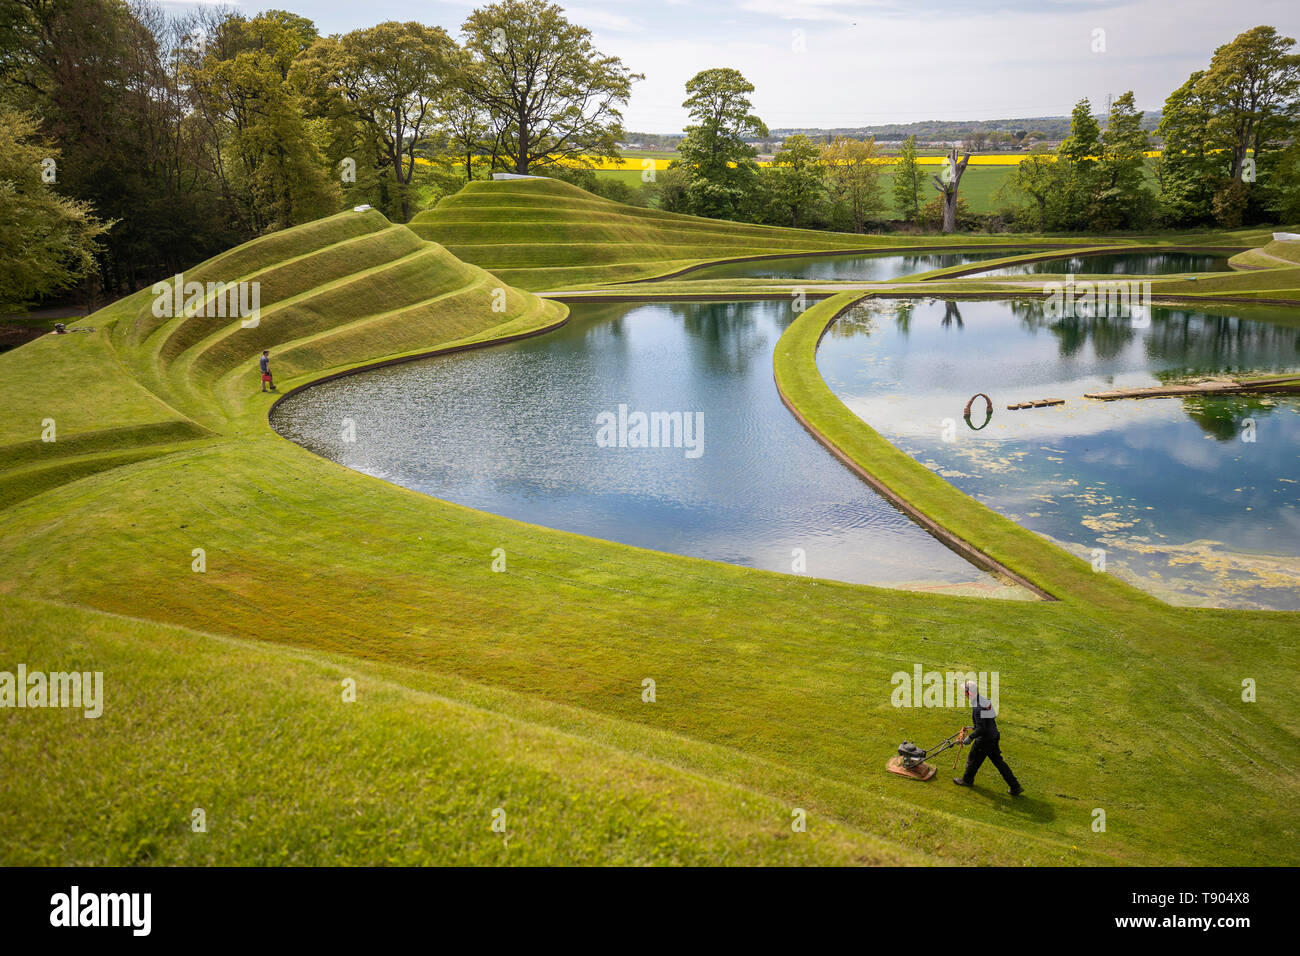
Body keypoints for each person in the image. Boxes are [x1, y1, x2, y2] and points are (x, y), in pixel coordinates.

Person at [953, 679, 1023, 796]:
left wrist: (970, 738)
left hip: (984, 740)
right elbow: (991, 716)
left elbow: (982, 729)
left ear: (969, 693)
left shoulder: (977, 707)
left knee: (974, 759)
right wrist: (974, 726)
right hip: (994, 736)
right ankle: (1015, 786)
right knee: (998, 762)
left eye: (964, 692)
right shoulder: (985, 700)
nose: (964, 694)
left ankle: (967, 780)